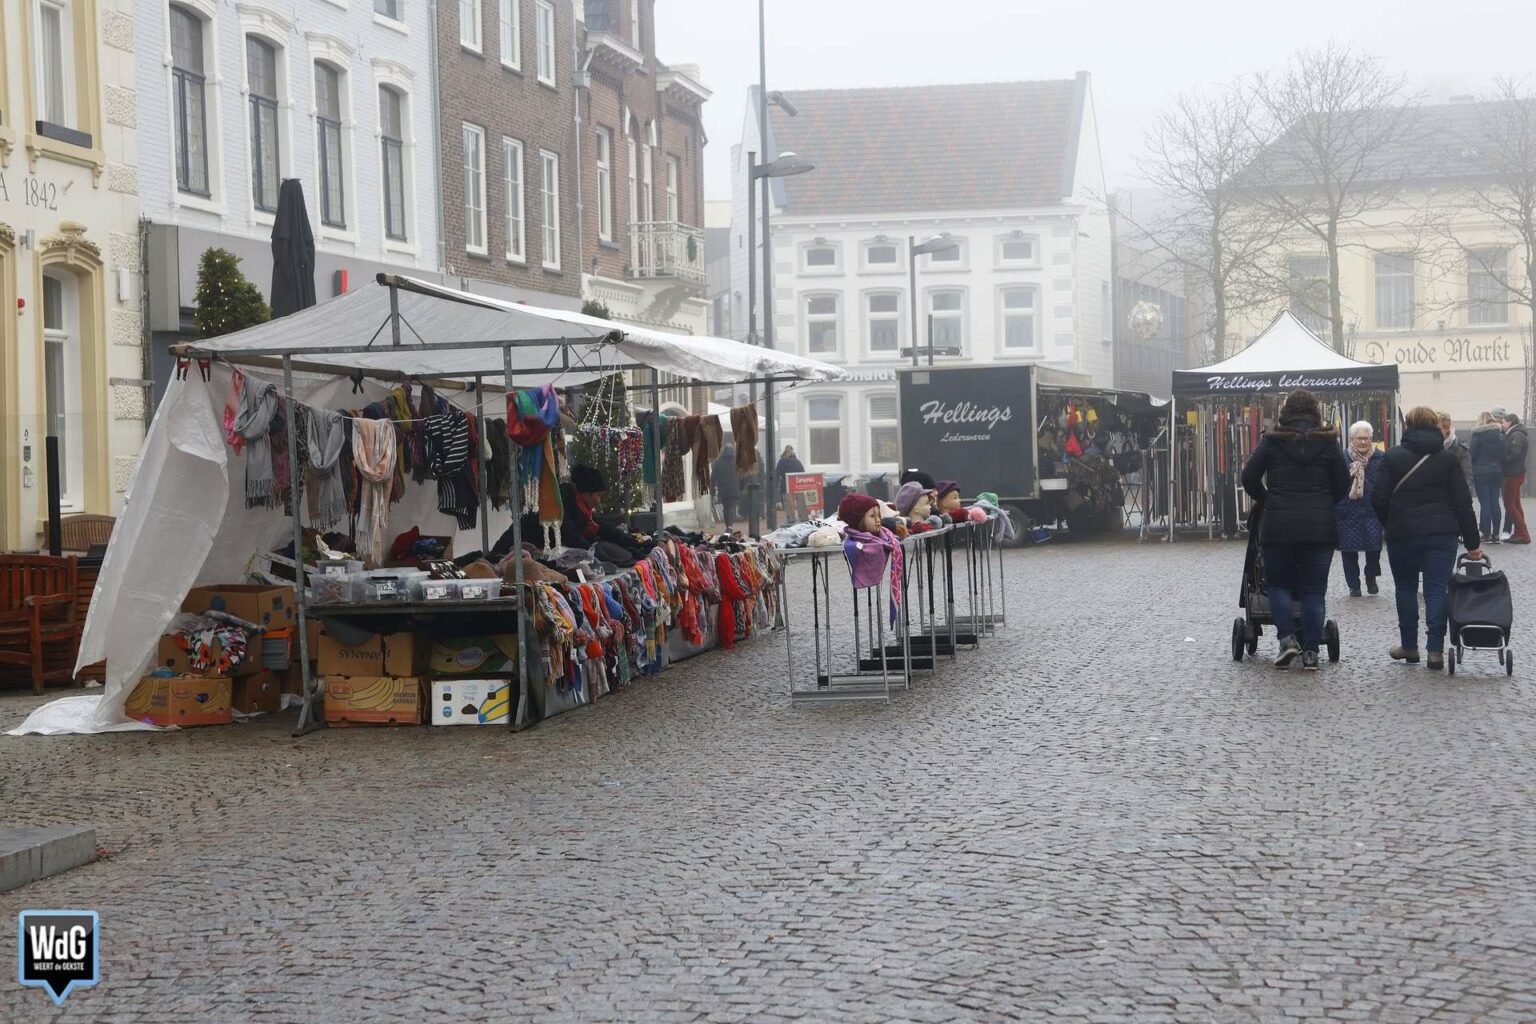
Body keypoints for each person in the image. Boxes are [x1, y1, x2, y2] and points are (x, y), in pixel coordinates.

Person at [1240, 389, 1350, 671]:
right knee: (1314, 590)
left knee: (1278, 584)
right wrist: (1326, 502)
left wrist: (1265, 497)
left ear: (1287, 411)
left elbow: (1249, 476)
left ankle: (1287, 639)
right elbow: (1343, 483)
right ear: (1315, 411)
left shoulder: (1273, 441)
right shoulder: (1328, 443)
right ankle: (1311, 652)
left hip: (1279, 525)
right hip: (1319, 528)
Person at [1372, 406, 1483, 670]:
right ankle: (1435, 650)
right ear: (1435, 426)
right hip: (1441, 533)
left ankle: (1409, 646)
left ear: (1407, 425)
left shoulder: (1393, 457)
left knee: (1406, 587)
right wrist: (1472, 543)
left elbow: (1377, 497)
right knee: (1436, 589)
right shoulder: (1447, 459)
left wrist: (1390, 522)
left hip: (1403, 533)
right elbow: (1463, 503)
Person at [1335, 421, 1385, 597]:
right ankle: (1353, 585)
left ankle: (1371, 577)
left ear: (1371, 439)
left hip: (1372, 509)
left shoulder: (1380, 457)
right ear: (1352, 439)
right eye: (1359, 438)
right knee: (1348, 551)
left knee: (1374, 547)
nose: (1363, 442)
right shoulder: (1342, 458)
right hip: (1347, 510)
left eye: (1366, 438)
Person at [1493, 407, 1530, 543]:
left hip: (1513, 473)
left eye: (1503, 422)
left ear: (1509, 422)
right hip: (1516, 472)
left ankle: (1523, 534)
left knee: (1509, 505)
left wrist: (1503, 462)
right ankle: (1520, 532)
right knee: (1516, 504)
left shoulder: (1516, 435)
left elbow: (1516, 454)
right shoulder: (1517, 433)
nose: (1502, 424)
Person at [1469, 411, 1505, 543]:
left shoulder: (1477, 434)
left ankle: (1486, 533)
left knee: (1485, 504)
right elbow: (1503, 452)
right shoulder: (1500, 434)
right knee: (1495, 502)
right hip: (1496, 471)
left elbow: (1472, 454)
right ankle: (1496, 534)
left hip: (1481, 472)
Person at [1439, 412, 1474, 502]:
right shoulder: (1430, 446)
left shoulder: (1460, 449)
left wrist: (1465, 498)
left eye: (1438, 428)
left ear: (1447, 429)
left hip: (1453, 497)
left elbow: (1467, 475)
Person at [711, 443, 741, 529]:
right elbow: (742, 475)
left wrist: (712, 491)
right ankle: (730, 526)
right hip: (734, 489)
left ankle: (727, 525)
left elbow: (713, 477)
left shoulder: (718, 462)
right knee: (732, 507)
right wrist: (741, 487)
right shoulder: (737, 461)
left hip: (723, 489)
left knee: (726, 508)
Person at [774, 445, 804, 511]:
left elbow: (777, 474)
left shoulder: (781, 462)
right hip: (796, 485)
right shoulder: (797, 462)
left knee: (787, 506)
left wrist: (775, 488)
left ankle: (789, 518)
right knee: (796, 504)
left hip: (785, 486)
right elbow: (802, 473)